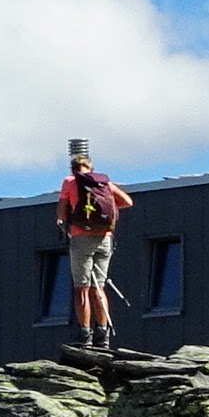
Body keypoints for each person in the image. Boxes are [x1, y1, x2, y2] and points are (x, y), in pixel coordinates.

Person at [57, 141, 136, 352]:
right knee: (99, 288)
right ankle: (103, 334)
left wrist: (63, 222)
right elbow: (128, 201)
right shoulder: (104, 184)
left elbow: (62, 208)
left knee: (81, 288)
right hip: (105, 237)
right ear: (91, 169)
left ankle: (85, 335)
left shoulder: (70, 181)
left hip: (81, 237)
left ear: (73, 169)